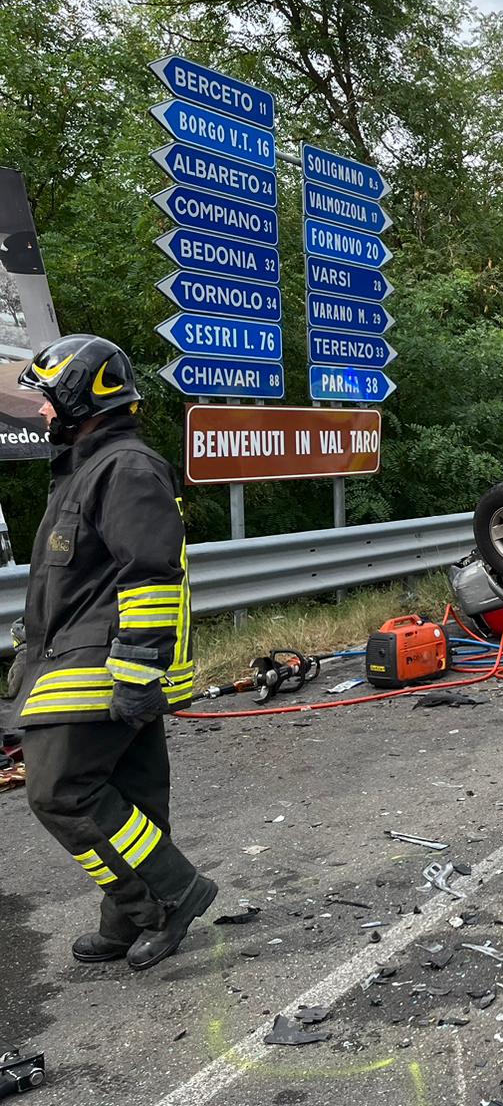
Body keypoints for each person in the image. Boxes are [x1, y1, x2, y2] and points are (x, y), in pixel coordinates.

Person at [12, 335, 215, 969]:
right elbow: (75, 581)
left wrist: (137, 670)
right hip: (84, 657)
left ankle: (172, 894)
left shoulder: (125, 468)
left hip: (106, 664)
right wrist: (27, 647)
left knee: (60, 790)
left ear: (79, 398)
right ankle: (129, 917)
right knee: (132, 793)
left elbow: (151, 573)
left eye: (49, 398)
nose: (42, 410)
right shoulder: (88, 470)